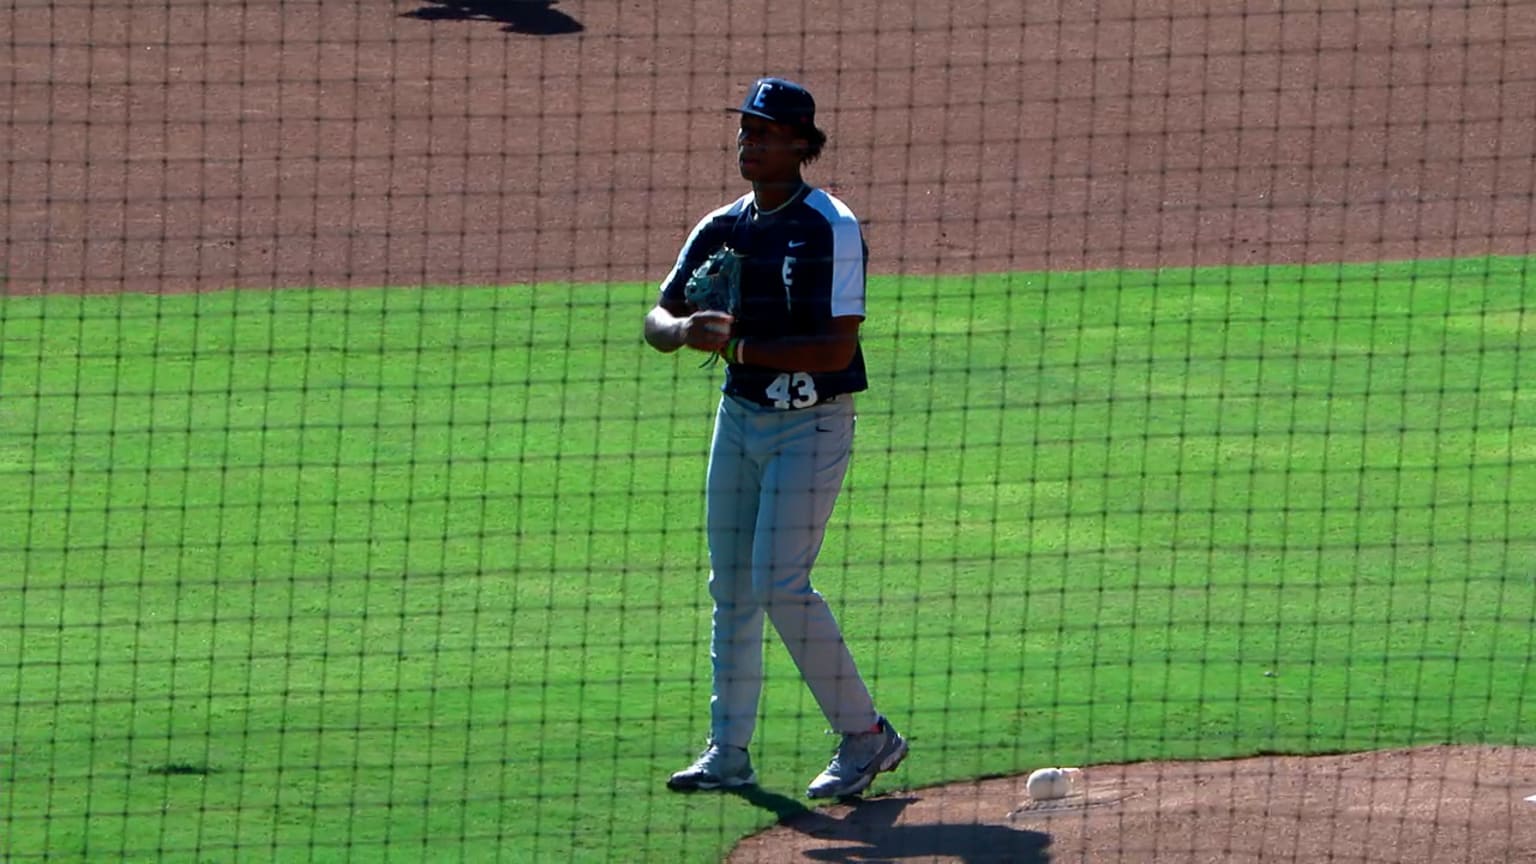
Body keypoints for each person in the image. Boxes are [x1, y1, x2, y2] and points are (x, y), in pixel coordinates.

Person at [643, 77, 907, 799]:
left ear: (800, 142)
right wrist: (682, 331)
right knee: (730, 587)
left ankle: (868, 736)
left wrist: (733, 348)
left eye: (764, 132)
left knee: (780, 584)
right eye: (745, 131)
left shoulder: (830, 225)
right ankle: (727, 751)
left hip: (813, 424)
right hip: (741, 422)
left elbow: (832, 351)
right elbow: (657, 319)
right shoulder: (722, 226)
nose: (749, 142)